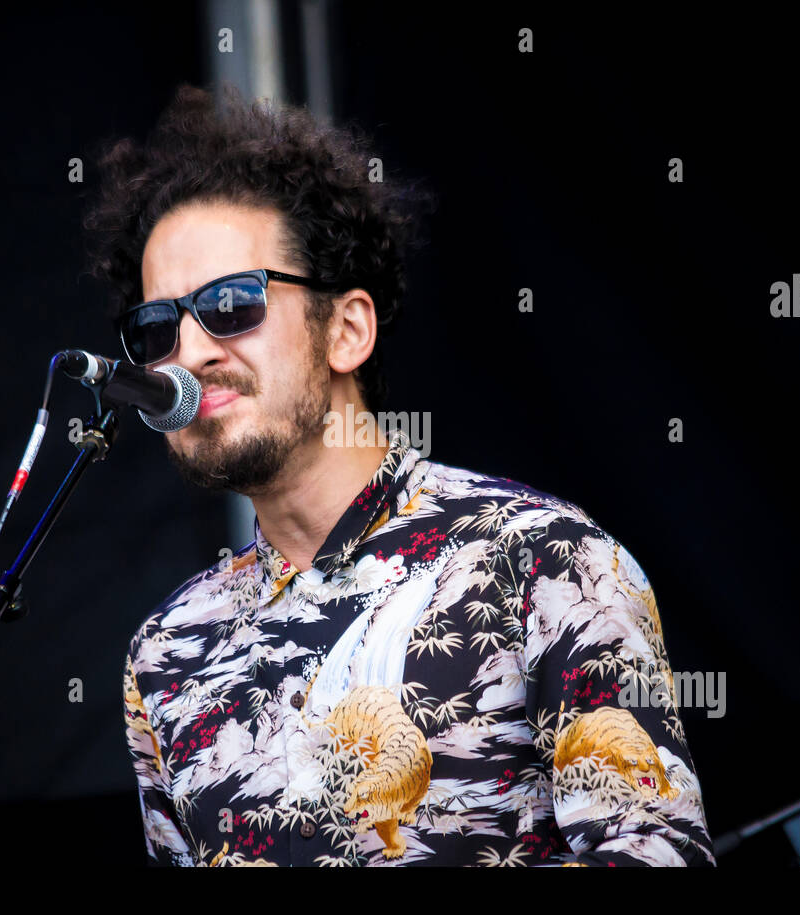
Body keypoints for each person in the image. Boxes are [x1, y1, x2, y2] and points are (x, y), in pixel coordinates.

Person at [84, 83, 715, 866]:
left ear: (346, 330)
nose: (192, 349)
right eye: (156, 327)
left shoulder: (543, 560)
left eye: (232, 303)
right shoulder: (167, 653)